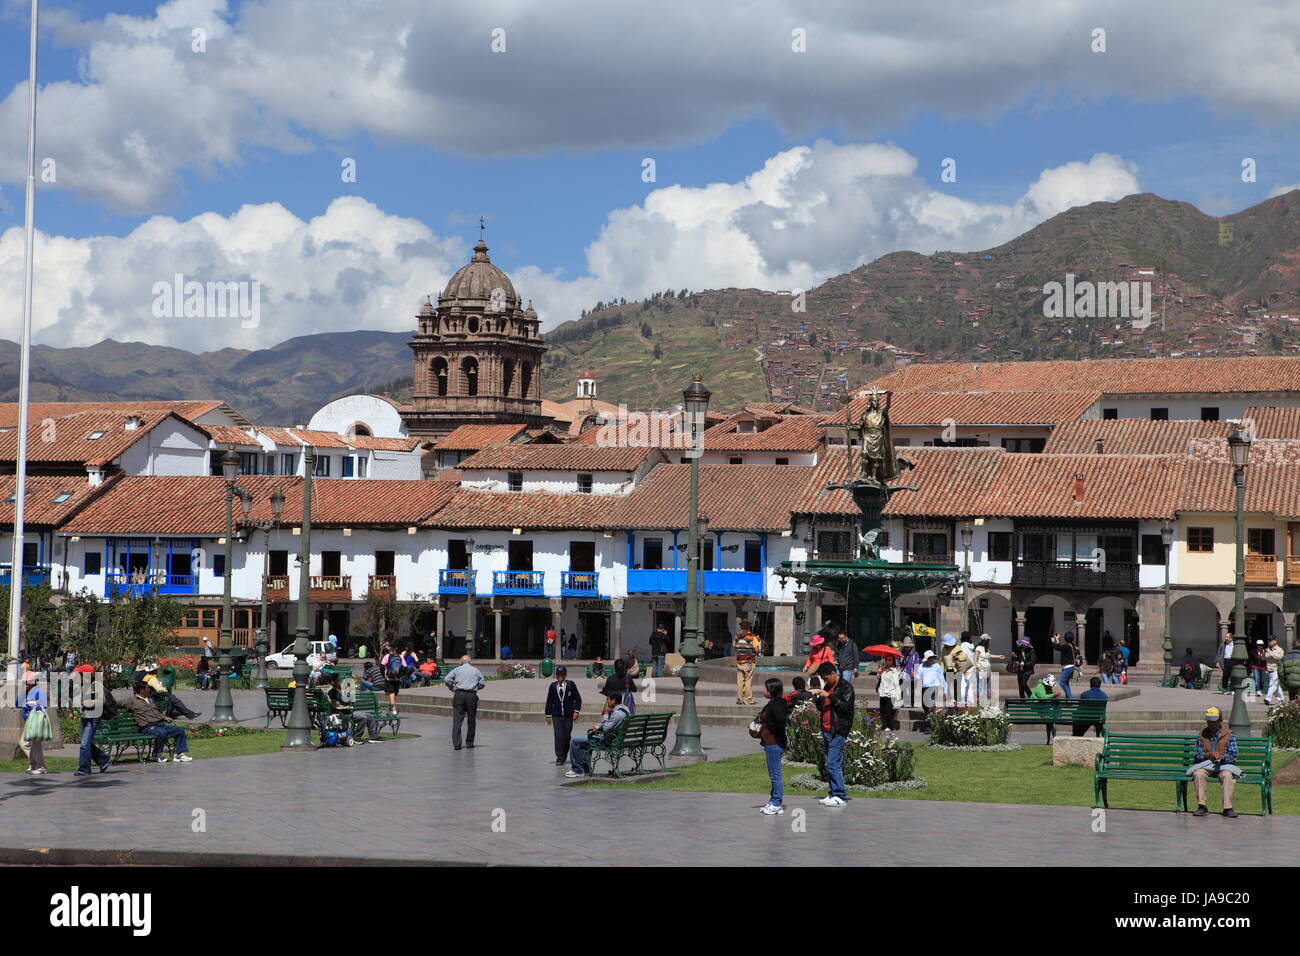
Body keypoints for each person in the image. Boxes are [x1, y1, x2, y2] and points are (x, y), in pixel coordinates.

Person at [565, 688, 630, 777]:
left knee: (575, 741)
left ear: (613, 700)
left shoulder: (618, 713)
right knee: (585, 742)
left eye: (608, 700)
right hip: (616, 739)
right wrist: (597, 727)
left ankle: (578, 770)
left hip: (608, 741)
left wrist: (606, 713)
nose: (607, 703)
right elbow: (610, 724)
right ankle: (585, 770)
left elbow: (606, 728)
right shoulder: (625, 709)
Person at [813, 661, 853, 806]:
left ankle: (840, 795)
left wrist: (829, 696)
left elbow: (846, 708)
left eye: (826, 678)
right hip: (826, 730)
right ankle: (833, 793)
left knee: (833, 763)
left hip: (838, 730)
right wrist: (819, 699)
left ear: (833, 673)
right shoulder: (829, 687)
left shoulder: (846, 687)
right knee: (832, 763)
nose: (824, 681)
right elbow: (823, 707)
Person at [1189, 707, 1240, 818]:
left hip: (1224, 766)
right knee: (1198, 774)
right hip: (1206, 765)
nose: (1211, 724)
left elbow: (1234, 754)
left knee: (1227, 775)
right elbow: (1197, 754)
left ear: (1220, 721)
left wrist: (1222, 756)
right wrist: (1208, 755)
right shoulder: (1202, 734)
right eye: (1209, 721)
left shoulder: (1229, 735)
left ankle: (1228, 808)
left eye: (1214, 721)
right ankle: (1202, 806)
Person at [124, 682, 193, 762]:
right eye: (147, 688)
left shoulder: (149, 700)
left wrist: (165, 718)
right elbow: (118, 703)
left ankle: (179, 755)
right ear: (141, 690)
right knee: (161, 732)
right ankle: (156, 754)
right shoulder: (132, 701)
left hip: (159, 725)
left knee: (179, 730)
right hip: (147, 727)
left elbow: (156, 713)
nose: (149, 689)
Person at [754, 677, 789, 815]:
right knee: (773, 774)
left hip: (774, 743)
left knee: (775, 775)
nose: (763, 690)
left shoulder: (776, 705)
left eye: (765, 688)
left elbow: (780, 720)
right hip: (771, 742)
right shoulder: (774, 703)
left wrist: (775, 733)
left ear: (771, 690)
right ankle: (773, 799)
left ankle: (777, 802)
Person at [74, 664, 115, 776]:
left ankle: (84, 769)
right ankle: (104, 759)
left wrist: (85, 703)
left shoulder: (96, 685)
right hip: (87, 716)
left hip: (93, 718)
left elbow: (100, 701)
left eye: (80, 674)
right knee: (86, 743)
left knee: (84, 744)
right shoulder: (87, 685)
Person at [444, 654, 485, 750]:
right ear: (470, 662)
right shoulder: (476, 670)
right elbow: (482, 683)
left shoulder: (457, 670)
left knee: (457, 720)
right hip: (471, 695)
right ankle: (469, 743)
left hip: (459, 695)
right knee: (471, 720)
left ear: (461, 662)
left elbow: (447, 679)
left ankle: (457, 744)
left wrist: (452, 687)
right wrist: (475, 688)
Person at [544, 665, 583, 766]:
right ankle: (560, 757)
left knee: (566, 737)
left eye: (561, 674)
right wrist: (548, 715)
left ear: (565, 675)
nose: (559, 676)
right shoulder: (553, 686)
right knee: (558, 736)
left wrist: (576, 711)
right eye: (558, 674)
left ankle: (564, 752)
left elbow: (578, 699)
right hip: (556, 715)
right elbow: (549, 701)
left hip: (568, 715)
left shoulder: (571, 685)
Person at [326, 673, 380, 744]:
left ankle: (373, 737)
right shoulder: (332, 691)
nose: (340, 682)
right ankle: (356, 737)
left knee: (369, 716)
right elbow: (345, 701)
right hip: (342, 714)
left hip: (347, 712)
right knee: (363, 717)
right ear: (332, 682)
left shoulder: (337, 690)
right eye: (338, 680)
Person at [20, 671, 49, 774]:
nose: (25, 684)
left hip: (36, 722)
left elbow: (43, 706)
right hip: (29, 722)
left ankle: (41, 767)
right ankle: (33, 764)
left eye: (27, 683)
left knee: (35, 745)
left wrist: (33, 705)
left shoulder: (39, 691)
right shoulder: (26, 692)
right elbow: (18, 703)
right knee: (24, 744)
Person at [734, 621, 760, 705]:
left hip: (739, 661)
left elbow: (734, 646)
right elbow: (756, 649)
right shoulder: (752, 637)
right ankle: (748, 700)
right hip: (748, 661)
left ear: (741, 627)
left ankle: (739, 699)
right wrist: (758, 642)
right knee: (748, 680)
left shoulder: (736, 637)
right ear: (749, 627)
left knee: (740, 681)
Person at [918, 650, 945, 726]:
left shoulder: (937, 666)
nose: (931, 659)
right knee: (925, 705)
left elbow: (941, 678)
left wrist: (944, 689)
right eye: (930, 658)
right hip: (924, 688)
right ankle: (930, 720)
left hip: (934, 688)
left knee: (930, 705)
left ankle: (930, 725)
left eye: (932, 658)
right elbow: (918, 677)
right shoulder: (921, 666)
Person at [876, 656, 902, 731]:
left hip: (891, 693)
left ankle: (889, 726)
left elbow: (896, 684)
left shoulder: (895, 671)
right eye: (886, 660)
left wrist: (898, 695)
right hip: (883, 692)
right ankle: (884, 725)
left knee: (889, 711)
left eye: (890, 660)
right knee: (882, 711)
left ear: (893, 661)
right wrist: (879, 673)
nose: (888, 661)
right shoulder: (883, 669)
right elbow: (878, 680)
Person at [973, 635, 1002, 702]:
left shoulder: (986, 648)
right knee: (980, 685)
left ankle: (985, 701)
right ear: (985, 641)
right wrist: (975, 666)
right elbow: (975, 657)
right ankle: (979, 700)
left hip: (987, 669)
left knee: (987, 685)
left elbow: (989, 655)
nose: (989, 642)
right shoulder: (978, 648)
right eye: (988, 640)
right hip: (981, 669)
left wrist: (998, 656)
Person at [1053, 632, 1078, 699]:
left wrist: (1054, 640)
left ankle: (1070, 698)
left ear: (1065, 638)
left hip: (1068, 667)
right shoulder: (1072, 645)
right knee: (1066, 683)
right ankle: (1068, 699)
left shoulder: (1066, 646)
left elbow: (1057, 647)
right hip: (1071, 666)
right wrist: (1057, 639)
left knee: (1062, 683)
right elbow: (1060, 647)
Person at [380, 645, 403, 715]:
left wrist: (383, 675)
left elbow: (382, 666)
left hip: (389, 678)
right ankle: (392, 708)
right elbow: (405, 667)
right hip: (397, 678)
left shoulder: (387, 656)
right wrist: (400, 675)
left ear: (390, 650)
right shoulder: (400, 656)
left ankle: (394, 710)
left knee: (391, 693)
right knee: (394, 694)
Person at [1263, 637, 1285, 705]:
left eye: (1271, 640)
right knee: (1276, 686)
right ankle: (1282, 699)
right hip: (1269, 670)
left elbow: (1279, 657)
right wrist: (1263, 654)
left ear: (1275, 641)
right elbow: (1263, 658)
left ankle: (1268, 698)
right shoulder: (1268, 649)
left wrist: (1271, 652)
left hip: (1276, 670)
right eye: (1269, 640)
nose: (1269, 642)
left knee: (1272, 684)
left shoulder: (1279, 649)